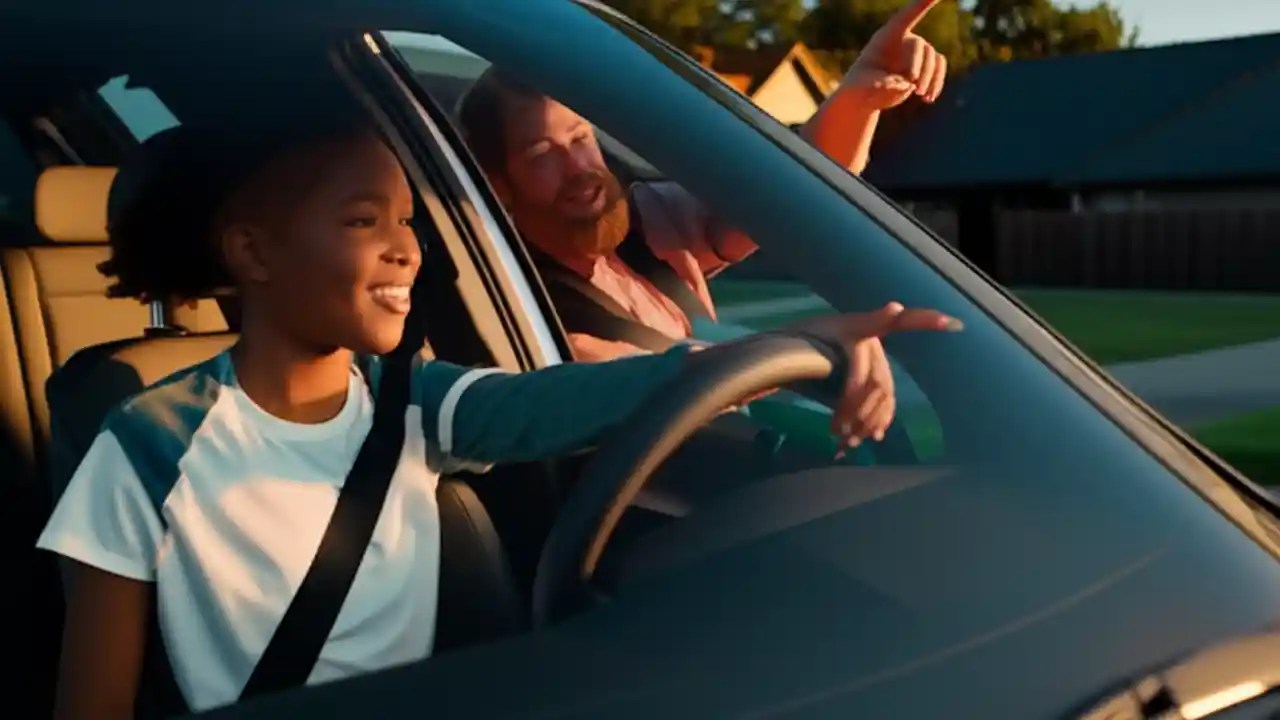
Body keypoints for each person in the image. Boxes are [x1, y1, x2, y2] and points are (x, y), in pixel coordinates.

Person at [35, 109, 959, 718]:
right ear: (254, 252)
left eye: (408, 221)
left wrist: (807, 341)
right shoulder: (143, 444)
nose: (406, 252)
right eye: (366, 221)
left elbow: (579, 398)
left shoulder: (415, 401)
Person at [456, 0, 949, 365]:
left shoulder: (647, 221)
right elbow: (636, 372)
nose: (578, 166)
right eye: (542, 154)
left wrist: (857, 97)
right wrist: (818, 350)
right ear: (499, 185)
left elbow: (779, 197)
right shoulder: (514, 299)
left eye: (580, 136)